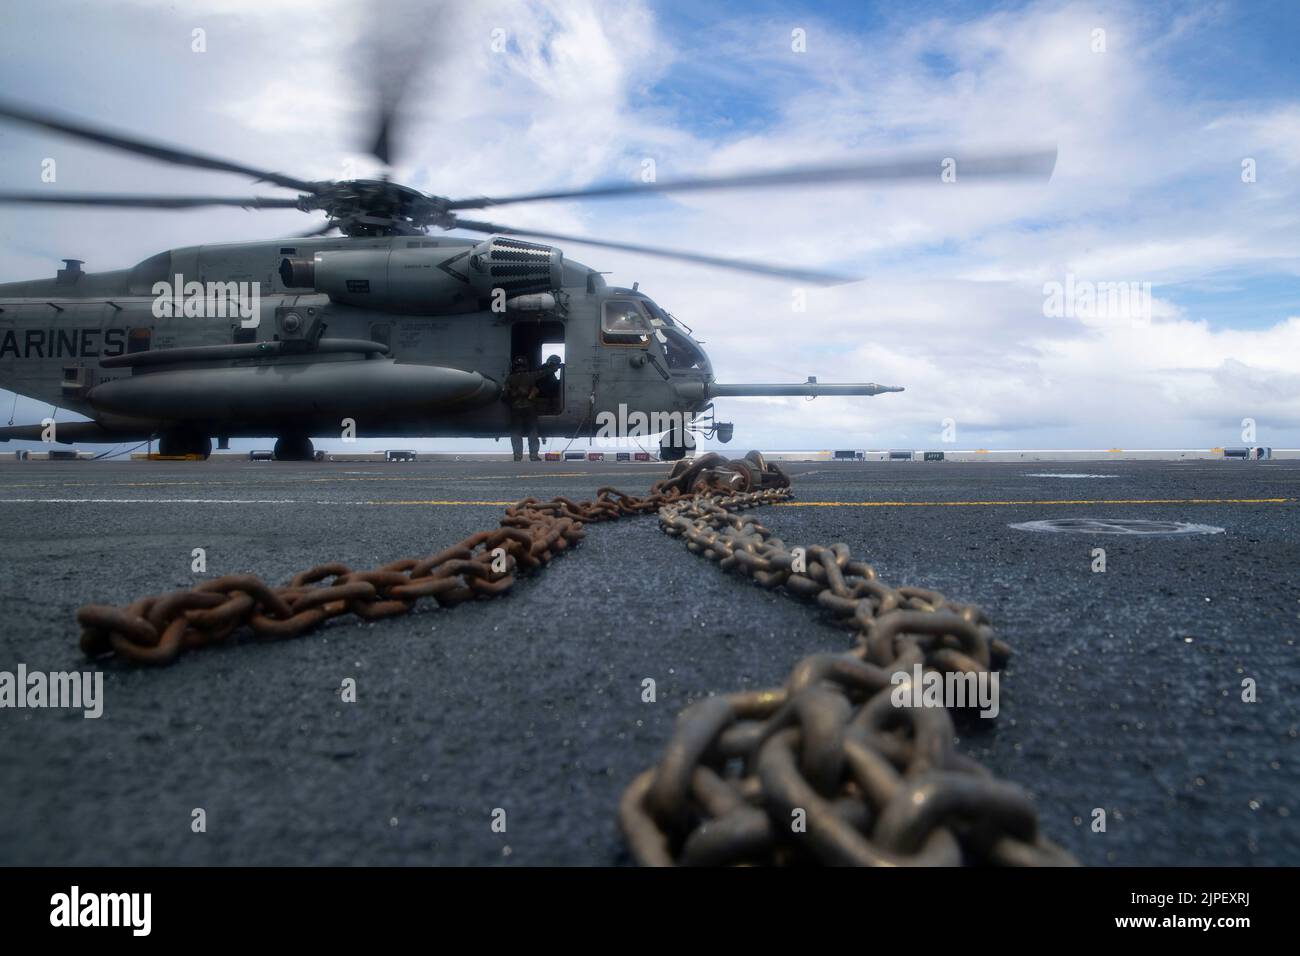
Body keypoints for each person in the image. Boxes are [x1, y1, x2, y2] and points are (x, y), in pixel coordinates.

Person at [503, 356, 542, 461]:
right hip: (530, 407)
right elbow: (542, 373)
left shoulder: (510, 379)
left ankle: (517, 455)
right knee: (532, 432)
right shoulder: (531, 376)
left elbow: (505, 395)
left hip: (515, 408)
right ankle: (533, 455)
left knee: (516, 433)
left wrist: (512, 399)